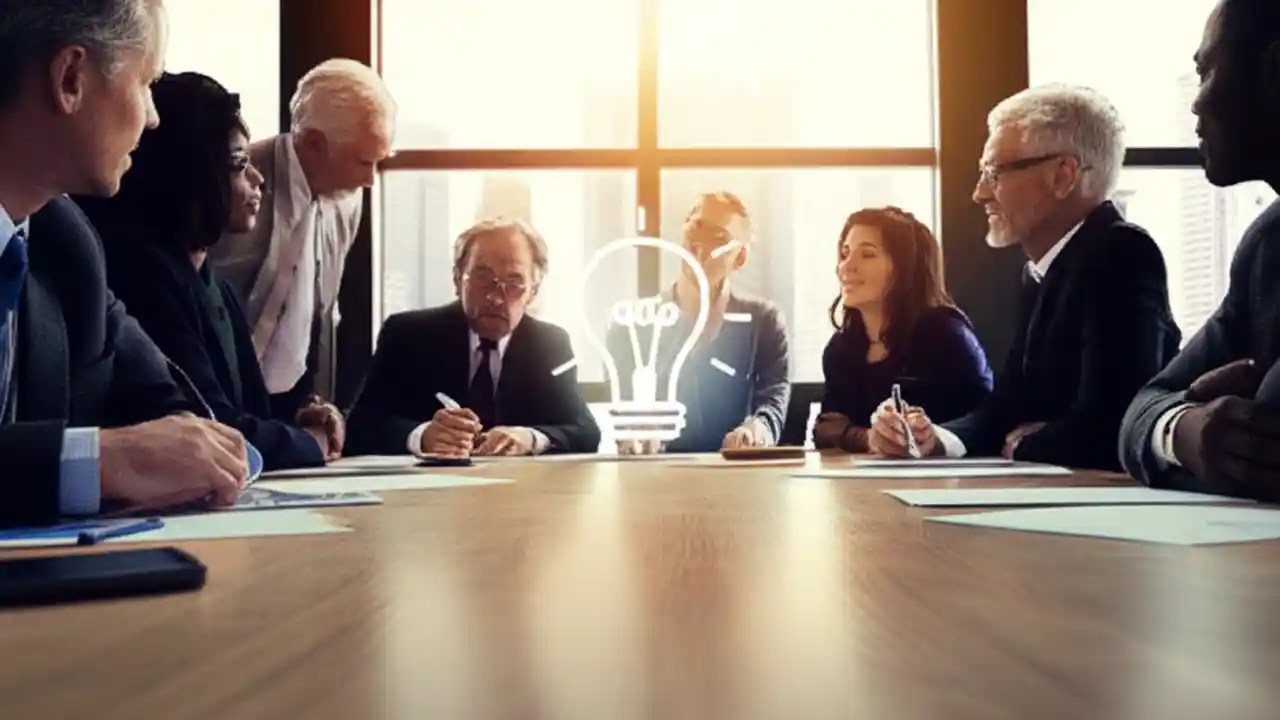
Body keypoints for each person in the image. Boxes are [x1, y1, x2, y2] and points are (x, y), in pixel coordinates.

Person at [0, 0, 248, 527]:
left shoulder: (65, 244)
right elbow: (111, 453)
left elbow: (177, 414)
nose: (153, 116)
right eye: (145, 82)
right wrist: (96, 461)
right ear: (70, 79)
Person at [868, 84, 1181, 471]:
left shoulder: (1121, 254)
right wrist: (932, 438)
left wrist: (1027, 443)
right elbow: (1009, 406)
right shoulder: (1043, 268)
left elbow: (1112, 425)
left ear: (1062, 176)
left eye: (995, 173)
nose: (979, 193)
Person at [78, 72, 343, 473]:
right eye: (238, 166)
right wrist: (309, 443)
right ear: (190, 174)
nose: (257, 181)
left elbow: (248, 411)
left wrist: (298, 419)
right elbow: (212, 425)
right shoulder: (139, 275)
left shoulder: (214, 282)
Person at [1121, 0, 1280, 499]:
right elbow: (1143, 406)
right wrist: (1185, 432)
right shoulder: (1265, 247)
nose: (1195, 102)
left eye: (1206, 70)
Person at [208, 58, 396, 420]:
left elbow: (323, 311)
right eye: (362, 162)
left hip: (292, 400)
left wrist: (318, 402)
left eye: (379, 161)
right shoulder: (238, 180)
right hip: (220, 397)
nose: (371, 180)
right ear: (312, 143)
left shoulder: (348, 199)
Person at [346, 218, 600, 457]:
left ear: (533, 292)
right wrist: (422, 437)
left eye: (514, 282)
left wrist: (530, 437)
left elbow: (585, 431)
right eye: (483, 278)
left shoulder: (550, 344)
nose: (496, 297)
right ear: (458, 279)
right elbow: (358, 426)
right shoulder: (407, 334)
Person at [608, 191, 790, 453]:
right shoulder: (633, 323)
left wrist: (756, 430)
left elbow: (773, 399)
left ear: (740, 257)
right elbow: (624, 405)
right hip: (656, 476)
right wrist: (634, 436)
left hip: (737, 475)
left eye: (719, 238)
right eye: (696, 227)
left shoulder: (763, 322)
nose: (701, 244)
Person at [814, 207, 993, 453]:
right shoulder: (841, 348)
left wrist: (929, 437)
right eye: (845, 253)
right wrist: (868, 438)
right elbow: (826, 428)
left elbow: (988, 419)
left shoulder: (947, 334)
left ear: (904, 268)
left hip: (945, 482)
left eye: (867, 254)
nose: (847, 266)